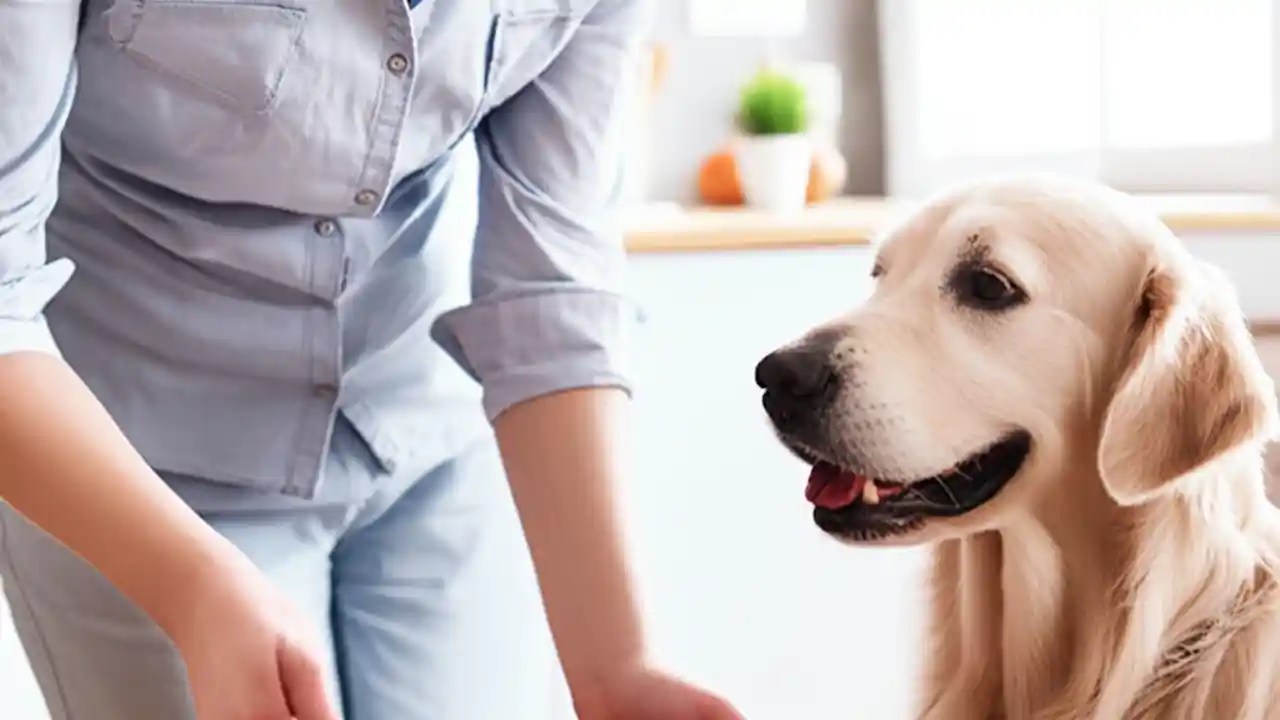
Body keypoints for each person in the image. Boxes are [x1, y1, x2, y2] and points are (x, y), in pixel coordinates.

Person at [0, 0, 743, 718]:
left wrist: (617, 666)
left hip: (428, 429)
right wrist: (191, 589)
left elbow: (553, 283)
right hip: (135, 458)